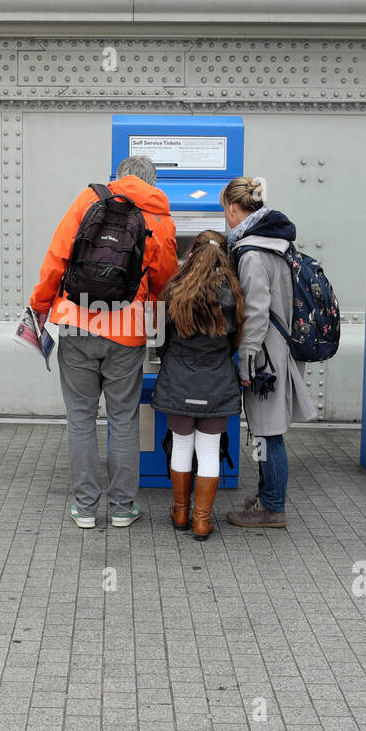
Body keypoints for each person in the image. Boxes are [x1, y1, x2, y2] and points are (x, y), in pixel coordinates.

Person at [30, 155, 178, 529]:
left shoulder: (89, 199)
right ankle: (122, 508)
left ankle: (84, 508)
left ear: (121, 177)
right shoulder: (160, 216)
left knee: (81, 418)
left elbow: (57, 258)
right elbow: (165, 280)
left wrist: (40, 305)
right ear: (152, 181)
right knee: (123, 418)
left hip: (77, 322)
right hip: (126, 329)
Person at [223, 177, 316, 527]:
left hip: (266, 361)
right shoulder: (276, 243)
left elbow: (256, 313)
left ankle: (273, 507)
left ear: (234, 208)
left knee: (267, 432)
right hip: (279, 350)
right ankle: (266, 496)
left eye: (225, 210)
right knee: (265, 429)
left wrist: (246, 362)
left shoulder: (251, 253)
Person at [150, 230, 244, 541]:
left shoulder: (175, 289)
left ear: (192, 254)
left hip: (179, 379)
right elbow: (235, 342)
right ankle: (202, 521)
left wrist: (174, 360)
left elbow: (160, 339)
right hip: (217, 382)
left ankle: (180, 512)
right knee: (208, 452)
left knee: (180, 446)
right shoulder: (234, 293)